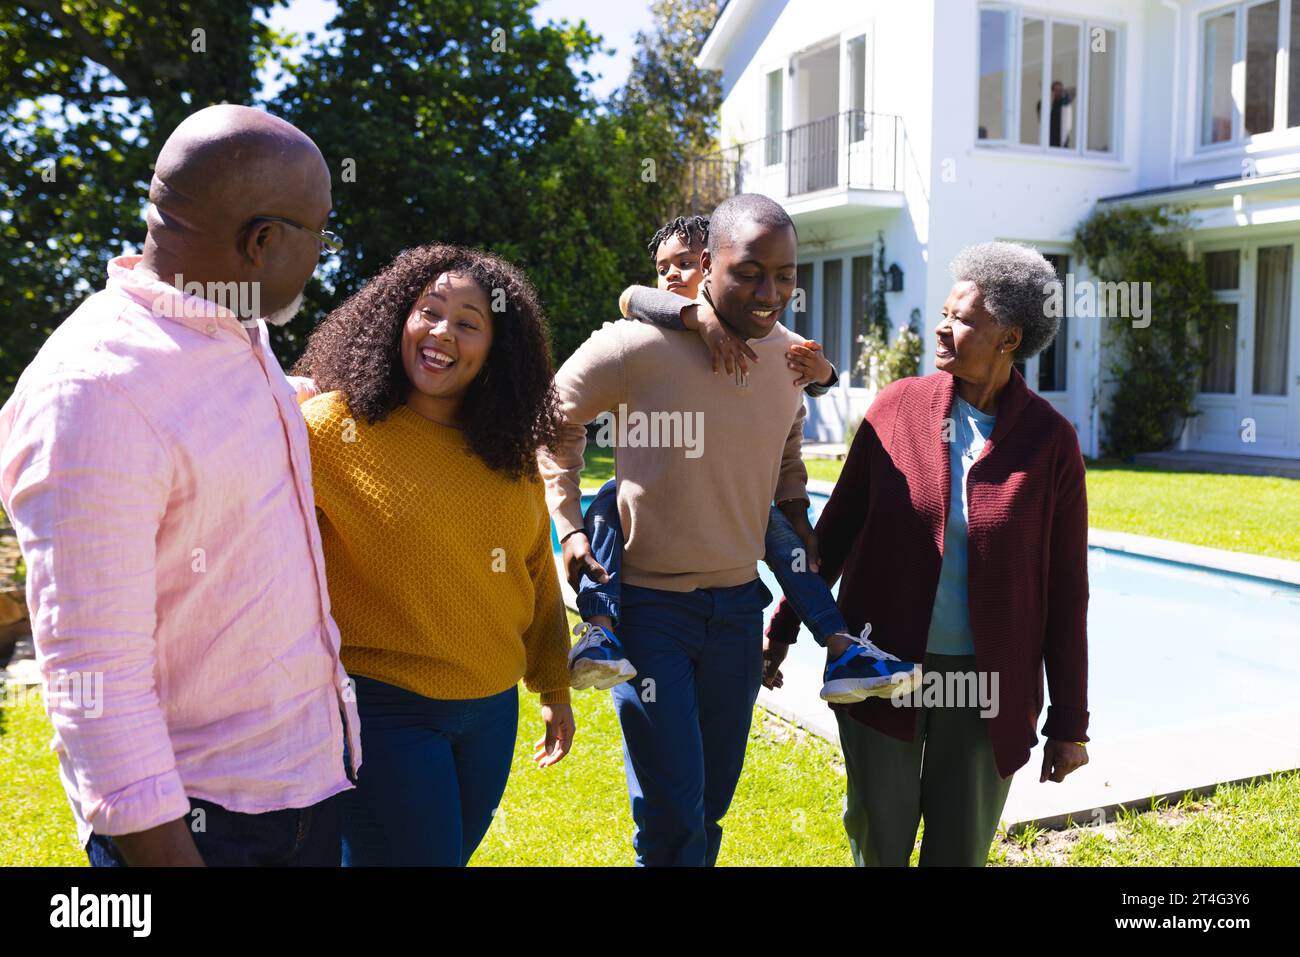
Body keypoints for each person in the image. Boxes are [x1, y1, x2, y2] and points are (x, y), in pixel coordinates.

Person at [0, 105, 358, 866]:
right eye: (320, 231)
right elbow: (91, 679)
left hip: (307, 788)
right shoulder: (93, 389)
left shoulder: (235, 330)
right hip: (201, 829)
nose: (325, 253)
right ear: (261, 242)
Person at [764, 241, 1091, 866]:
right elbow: (834, 533)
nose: (943, 326)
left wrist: (1070, 722)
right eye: (945, 311)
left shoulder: (1052, 442)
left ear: (1010, 338)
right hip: (881, 664)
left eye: (964, 318)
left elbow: (1067, 589)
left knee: (958, 850)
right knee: (878, 839)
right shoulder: (898, 408)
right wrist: (780, 631)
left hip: (986, 681)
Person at [541, 193, 813, 866]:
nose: (769, 290)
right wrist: (570, 526)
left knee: (709, 804)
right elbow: (551, 420)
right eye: (749, 271)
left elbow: (786, 459)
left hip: (736, 612)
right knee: (672, 811)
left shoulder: (790, 360)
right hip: (651, 611)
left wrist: (801, 540)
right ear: (707, 265)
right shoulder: (638, 345)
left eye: (784, 275)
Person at [293, 244, 574, 866]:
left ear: (495, 352)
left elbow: (536, 571)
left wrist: (553, 685)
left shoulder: (507, 455)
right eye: (429, 311)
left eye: (469, 323)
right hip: (382, 709)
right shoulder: (326, 431)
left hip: (490, 715)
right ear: (398, 318)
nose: (443, 332)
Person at [567, 214, 918, 705]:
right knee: (606, 502)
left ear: (711, 264)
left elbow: (788, 433)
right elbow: (631, 297)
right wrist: (700, 318)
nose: (671, 274)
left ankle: (840, 645)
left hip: (734, 584)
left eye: (684, 263)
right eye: (662, 266)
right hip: (655, 588)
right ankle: (600, 626)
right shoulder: (642, 331)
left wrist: (824, 376)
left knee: (784, 538)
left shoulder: (774, 343)